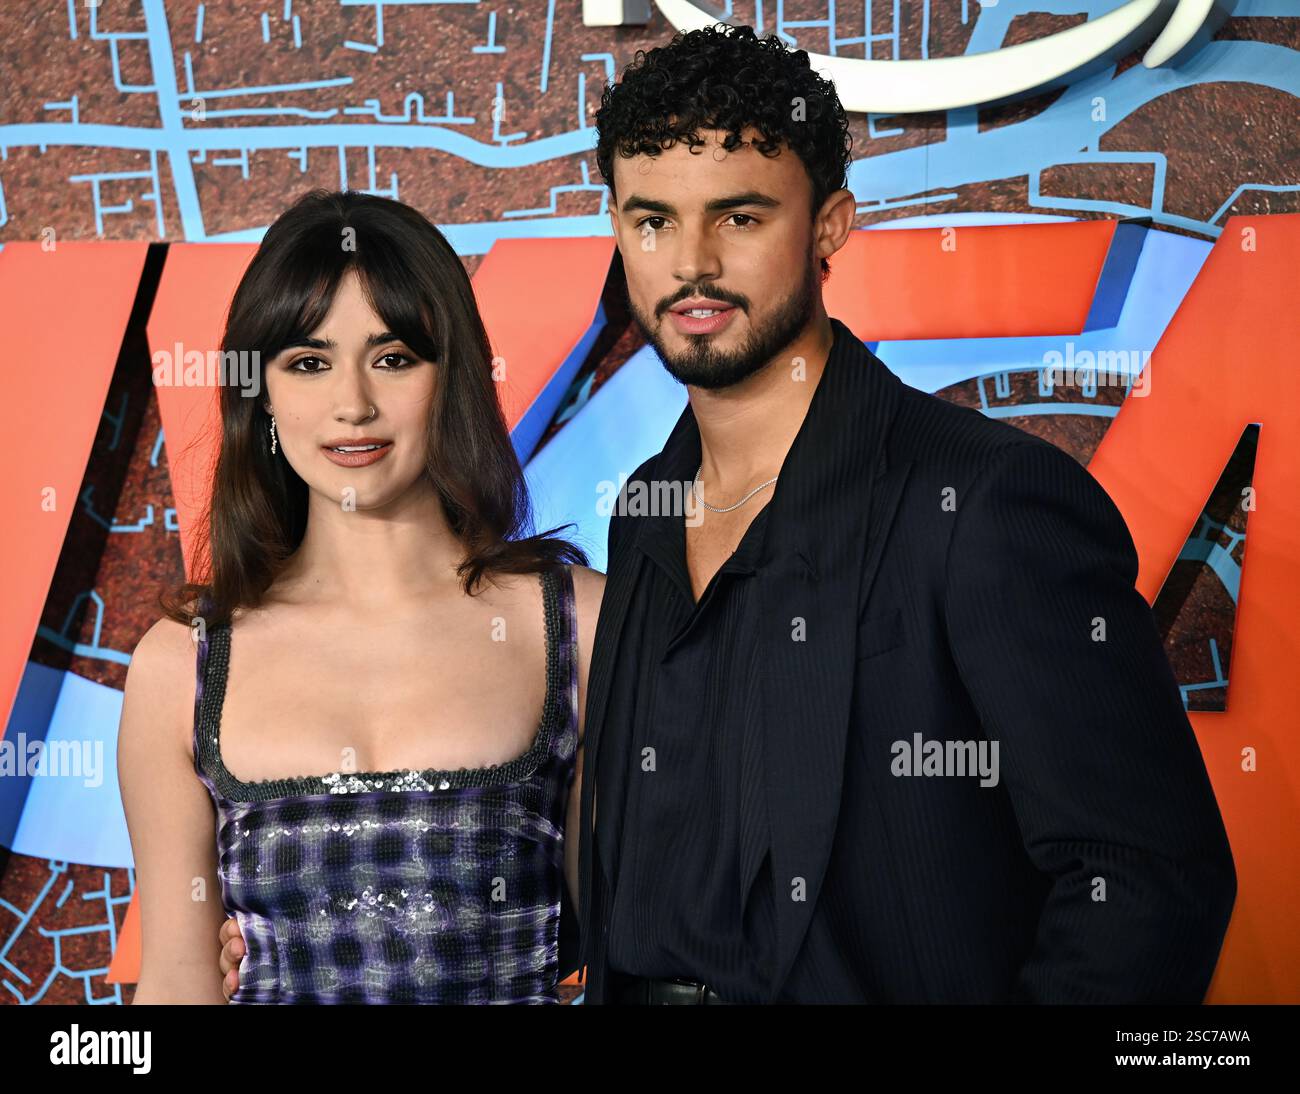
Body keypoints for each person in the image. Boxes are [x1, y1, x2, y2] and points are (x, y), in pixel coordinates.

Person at [568, 24, 1235, 1004]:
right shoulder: (642, 511)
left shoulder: (985, 501)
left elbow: (1145, 882)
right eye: (653, 219)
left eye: (740, 217)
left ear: (830, 224)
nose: (692, 262)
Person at [118, 190, 604, 1003]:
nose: (353, 404)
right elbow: (176, 977)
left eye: (393, 357)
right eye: (309, 363)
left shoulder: (575, 622)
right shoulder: (183, 665)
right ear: (261, 395)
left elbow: (635, 955)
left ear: (452, 376)